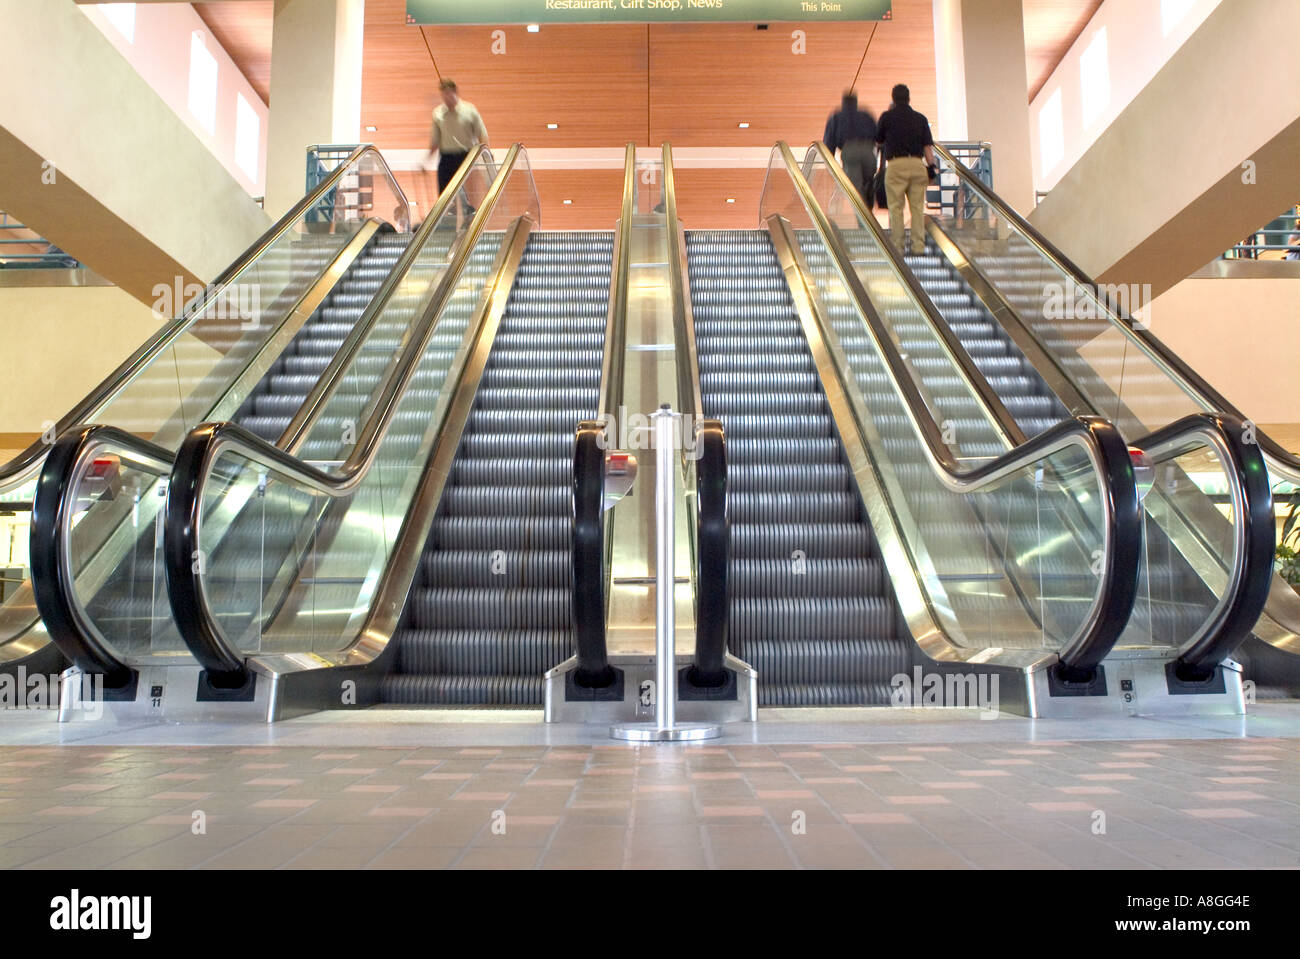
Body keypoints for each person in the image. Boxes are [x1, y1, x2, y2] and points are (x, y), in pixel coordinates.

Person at [874, 83, 937, 256]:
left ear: (893, 98)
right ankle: (918, 247)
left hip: (896, 165)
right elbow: (928, 149)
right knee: (917, 208)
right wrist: (932, 169)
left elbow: (878, 141)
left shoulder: (887, 117)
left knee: (896, 207)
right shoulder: (920, 118)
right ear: (909, 98)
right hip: (917, 165)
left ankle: (898, 247)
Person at [424, 79, 489, 220]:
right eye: (443, 95)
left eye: (448, 94)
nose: (446, 98)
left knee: (461, 183)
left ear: (455, 93)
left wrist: (487, 154)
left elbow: (481, 134)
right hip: (446, 155)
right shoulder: (438, 113)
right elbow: (435, 141)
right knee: (444, 188)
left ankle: (468, 210)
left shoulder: (469, 110)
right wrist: (426, 161)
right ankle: (446, 215)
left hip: (466, 155)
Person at [823, 90, 877, 204]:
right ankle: (869, 207)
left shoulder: (836, 116)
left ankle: (863, 219)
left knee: (855, 188)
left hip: (849, 150)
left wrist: (829, 161)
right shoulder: (866, 114)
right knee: (869, 182)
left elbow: (829, 141)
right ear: (856, 102)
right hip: (868, 150)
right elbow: (878, 136)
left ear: (843, 102)